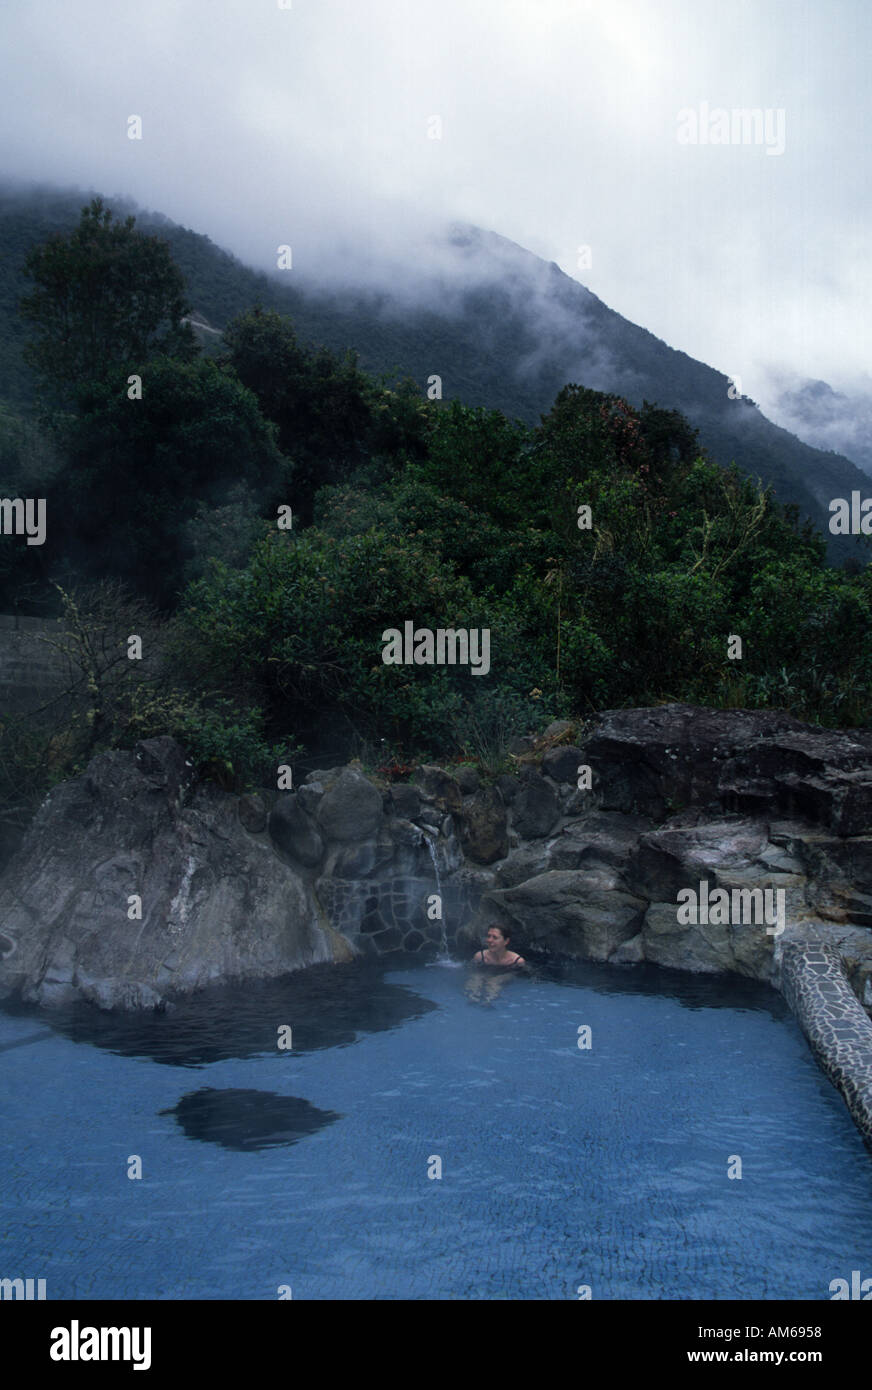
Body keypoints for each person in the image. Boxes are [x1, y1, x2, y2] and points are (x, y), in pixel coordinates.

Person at [465, 924, 527, 1004]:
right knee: (476, 978)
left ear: (506, 941)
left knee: (495, 981)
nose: (489, 940)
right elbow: (470, 970)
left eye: (495, 937)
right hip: (485, 972)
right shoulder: (480, 957)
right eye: (488, 936)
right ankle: (472, 1000)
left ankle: (488, 1002)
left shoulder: (517, 961)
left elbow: (521, 974)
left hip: (506, 973)